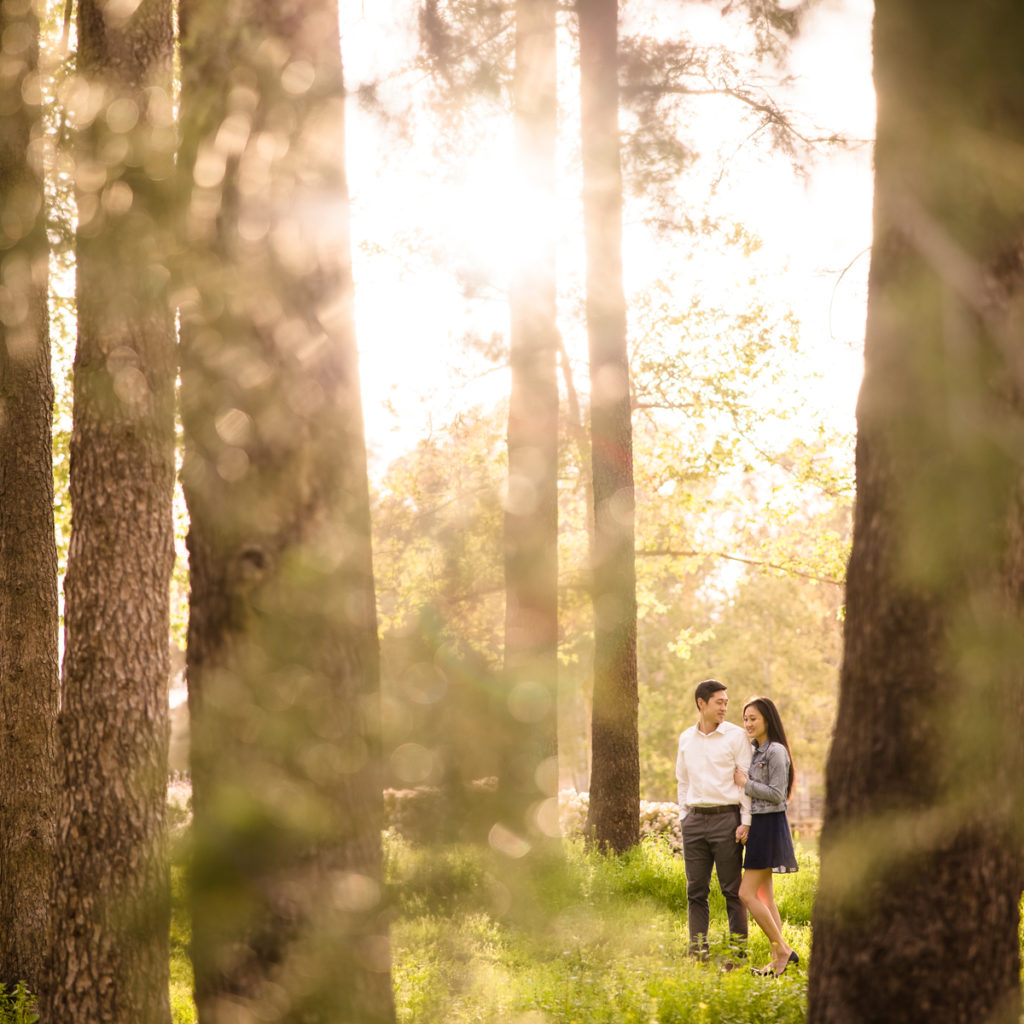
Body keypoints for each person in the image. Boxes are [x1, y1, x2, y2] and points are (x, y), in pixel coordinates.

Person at [675, 678, 752, 959]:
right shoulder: (685, 739)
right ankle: (698, 952)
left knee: (733, 891)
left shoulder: (736, 737)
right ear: (701, 703)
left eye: (726, 703)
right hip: (694, 822)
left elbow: (745, 780)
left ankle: (737, 955)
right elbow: (682, 781)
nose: (724, 708)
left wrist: (745, 820)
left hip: (727, 821)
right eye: (719, 702)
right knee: (695, 891)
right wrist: (685, 815)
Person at [733, 695, 800, 978]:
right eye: (745, 718)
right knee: (764, 895)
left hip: (770, 824)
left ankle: (782, 949)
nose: (748, 723)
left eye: (753, 719)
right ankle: (778, 958)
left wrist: (746, 784)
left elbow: (777, 795)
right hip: (759, 824)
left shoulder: (776, 751)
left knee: (746, 893)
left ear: (767, 720)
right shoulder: (756, 749)